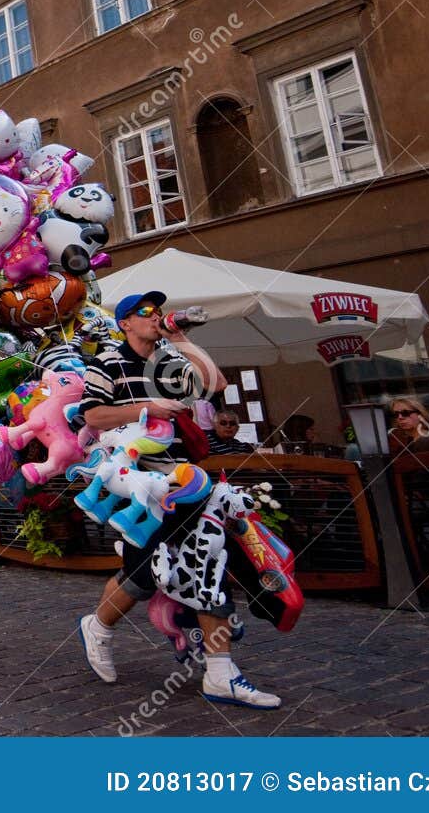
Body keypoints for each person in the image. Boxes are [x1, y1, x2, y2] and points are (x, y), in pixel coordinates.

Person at [74, 290, 279, 710]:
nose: (155, 317)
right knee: (143, 574)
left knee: (210, 564)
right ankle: (98, 627)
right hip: (141, 483)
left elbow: (215, 383)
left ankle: (220, 674)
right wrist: (146, 408)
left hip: (188, 480)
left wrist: (180, 337)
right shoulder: (106, 363)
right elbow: (92, 415)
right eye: (145, 313)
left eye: (158, 311)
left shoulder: (169, 361)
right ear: (125, 323)